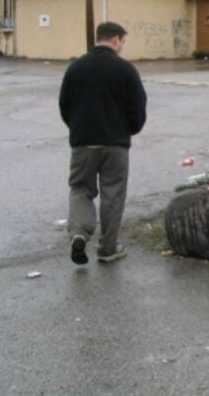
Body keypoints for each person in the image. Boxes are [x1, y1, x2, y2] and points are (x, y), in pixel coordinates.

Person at [59, 22, 147, 265]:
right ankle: (108, 249)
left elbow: (65, 105)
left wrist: (78, 128)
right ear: (116, 40)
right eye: (123, 42)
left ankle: (79, 232)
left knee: (80, 189)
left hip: (83, 142)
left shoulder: (75, 68)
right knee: (113, 194)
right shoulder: (126, 70)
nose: (122, 47)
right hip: (115, 144)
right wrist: (129, 129)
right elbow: (138, 109)